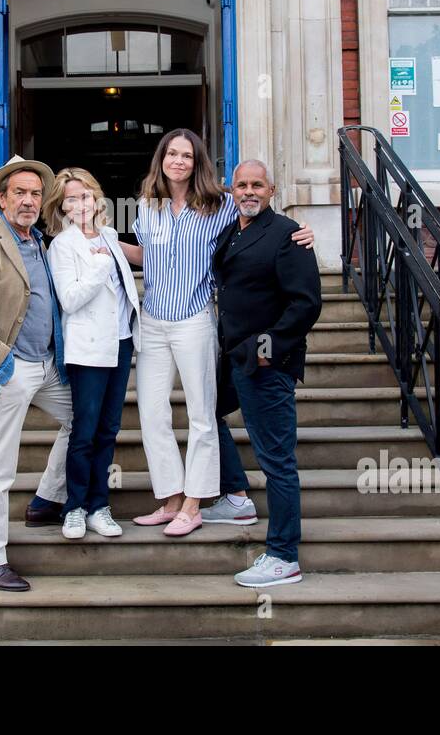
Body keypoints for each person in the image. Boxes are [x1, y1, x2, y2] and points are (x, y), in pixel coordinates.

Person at [116, 129, 314, 537]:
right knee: (153, 414)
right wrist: (101, 242)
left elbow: (257, 216)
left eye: (187, 155)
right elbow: (145, 255)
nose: (179, 161)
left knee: (203, 415)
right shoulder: (147, 206)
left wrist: (304, 233)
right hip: (152, 320)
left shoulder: (219, 204)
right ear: (162, 159)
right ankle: (170, 498)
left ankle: (195, 502)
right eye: (172, 153)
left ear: (197, 162)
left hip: (194, 319)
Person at [0, 155, 72, 593]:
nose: (28, 200)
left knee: (84, 419)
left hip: (47, 366)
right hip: (11, 368)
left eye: (35, 193)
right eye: (19, 193)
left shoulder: (42, 243)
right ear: (2, 199)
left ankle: (46, 498)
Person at [213, 159, 322, 587]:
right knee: (209, 416)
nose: (249, 191)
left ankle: (283, 555)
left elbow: (306, 303)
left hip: (266, 361)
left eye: (257, 185)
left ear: (272, 190)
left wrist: (265, 351)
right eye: (242, 185)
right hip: (231, 355)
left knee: (277, 461)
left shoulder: (288, 234)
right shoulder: (231, 229)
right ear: (232, 190)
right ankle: (236, 495)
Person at [43, 168, 141, 540]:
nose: (79, 203)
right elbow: (69, 299)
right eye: (70, 198)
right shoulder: (62, 245)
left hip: (120, 342)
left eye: (84, 195)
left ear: (96, 198)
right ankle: (74, 508)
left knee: (109, 430)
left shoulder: (111, 236)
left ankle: (100, 506)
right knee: (84, 432)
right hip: (87, 350)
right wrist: (100, 264)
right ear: (62, 206)